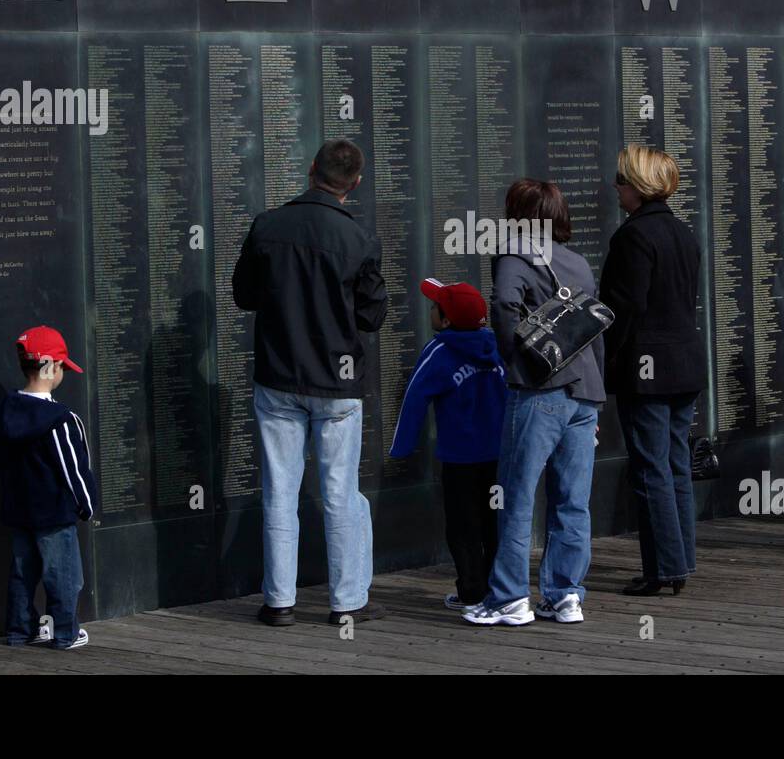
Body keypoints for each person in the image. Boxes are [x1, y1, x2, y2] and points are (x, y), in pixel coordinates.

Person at [232, 138, 388, 627]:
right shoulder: (359, 239)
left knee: (279, 491)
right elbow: (373, 315)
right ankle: (346, 603)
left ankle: (279, 601)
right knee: (339, 493)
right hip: (337, 382)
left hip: (278, 375)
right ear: (355, 184)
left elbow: (244, 295)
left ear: (310, 168)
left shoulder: (268, 226)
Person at [464, 179, 606, 626]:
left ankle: (508, 598)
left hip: (540, 392)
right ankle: (565, 596)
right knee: (572, 501)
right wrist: (596, 396)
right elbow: (593, 329)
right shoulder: (578, 263)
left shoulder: (514, 255)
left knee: (516, 496)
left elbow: (505, 302)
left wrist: (512, 357)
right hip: (585, 393)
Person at [599, 145, 703, 596]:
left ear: (638, 187)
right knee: (676, 463)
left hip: (647, 369)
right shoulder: (683, 234)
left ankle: (663, 567)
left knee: (650, 468)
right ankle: (681, 559)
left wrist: (608, 357)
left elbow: (625, 308)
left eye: (621, 181)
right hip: (683, 364)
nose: (616, 189)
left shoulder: (632, 237)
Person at [389, 279, 508, 611]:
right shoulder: (498, 345)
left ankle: (471, 592)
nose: (430, 310)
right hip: (499, 456)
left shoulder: (439, 351)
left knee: (462, 526)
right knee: (494, 522)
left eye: (434, 307)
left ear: (445, 320)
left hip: (460, 459)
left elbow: (414, 399)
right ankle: (498, 589)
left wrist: (400, 448)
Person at [0, 326, 97, 649]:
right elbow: (74, 471)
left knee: (22, 574)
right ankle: (66, 633)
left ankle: (19, 630)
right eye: (63, 367)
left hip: (19, 512)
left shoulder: (7, 411)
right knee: (64, 577)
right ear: (50, 367)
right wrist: (87, 505)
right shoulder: (61, 419)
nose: (63, 373)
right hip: (54, 514)